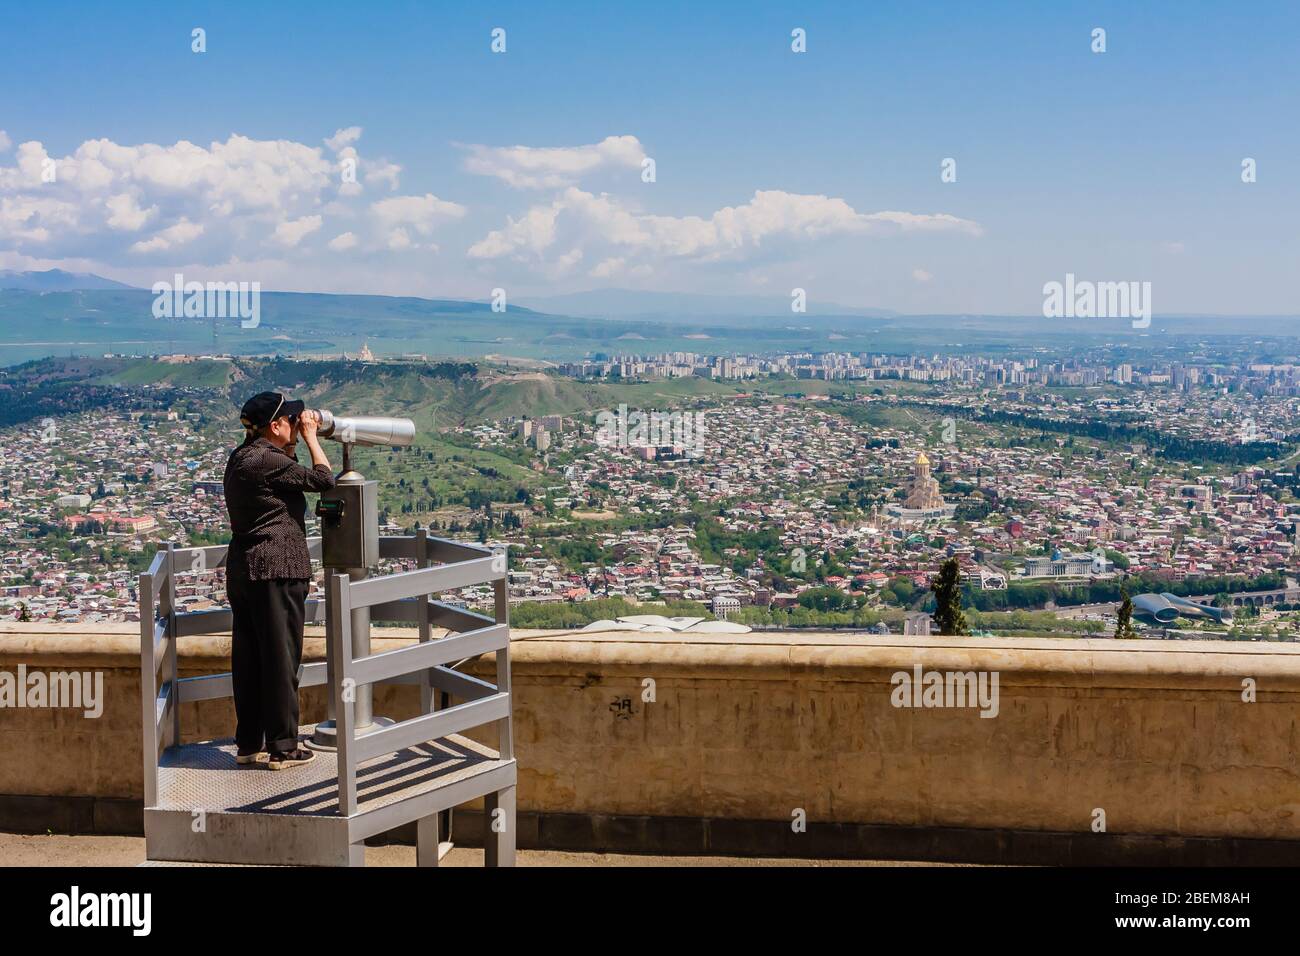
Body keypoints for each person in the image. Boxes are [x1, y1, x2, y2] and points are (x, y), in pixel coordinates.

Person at [223, 392, 336, 770]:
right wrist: (311, 437)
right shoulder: (269, 460)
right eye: (290, 419)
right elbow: (323, 479)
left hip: (244, 570)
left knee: (250, 658)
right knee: (281, 657)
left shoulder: (241, 458)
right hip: (278, 568)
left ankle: (248, 742)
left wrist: (292, 438)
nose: (297, 423)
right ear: (275, 426)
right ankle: (285, 746)